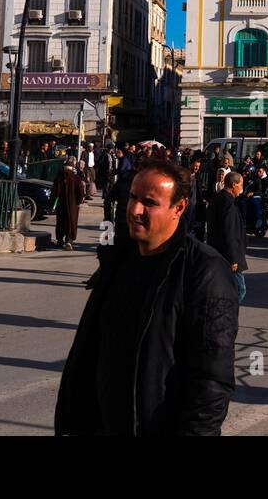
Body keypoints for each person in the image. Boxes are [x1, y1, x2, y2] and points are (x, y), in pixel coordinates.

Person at [55, 159, 239, 435]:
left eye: (150, 203)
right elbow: (88, 353)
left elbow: (211, 380)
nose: (135, 210)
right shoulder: (118, 261)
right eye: (133, 198)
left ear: (179, 208)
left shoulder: (204, 271)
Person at [208, 171, 248, 302]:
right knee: (239, 290)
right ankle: (226, 316)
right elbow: (229, 231)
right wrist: (233, 259)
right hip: (228, 255)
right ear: (234, 185)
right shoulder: (228, 203)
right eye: (241, 185)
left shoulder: (219, 198)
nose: (242, 188)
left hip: (219, 251)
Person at [53, 157, 87, 250]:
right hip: (73, 205)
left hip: (61, 205)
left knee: (60, 223)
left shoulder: (59, 178)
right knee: (71, 222)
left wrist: (52, 203)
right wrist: (79, 201)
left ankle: (60, 241)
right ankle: (69, 240)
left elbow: (54, 192)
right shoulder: (76, 179)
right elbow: (80, 192)